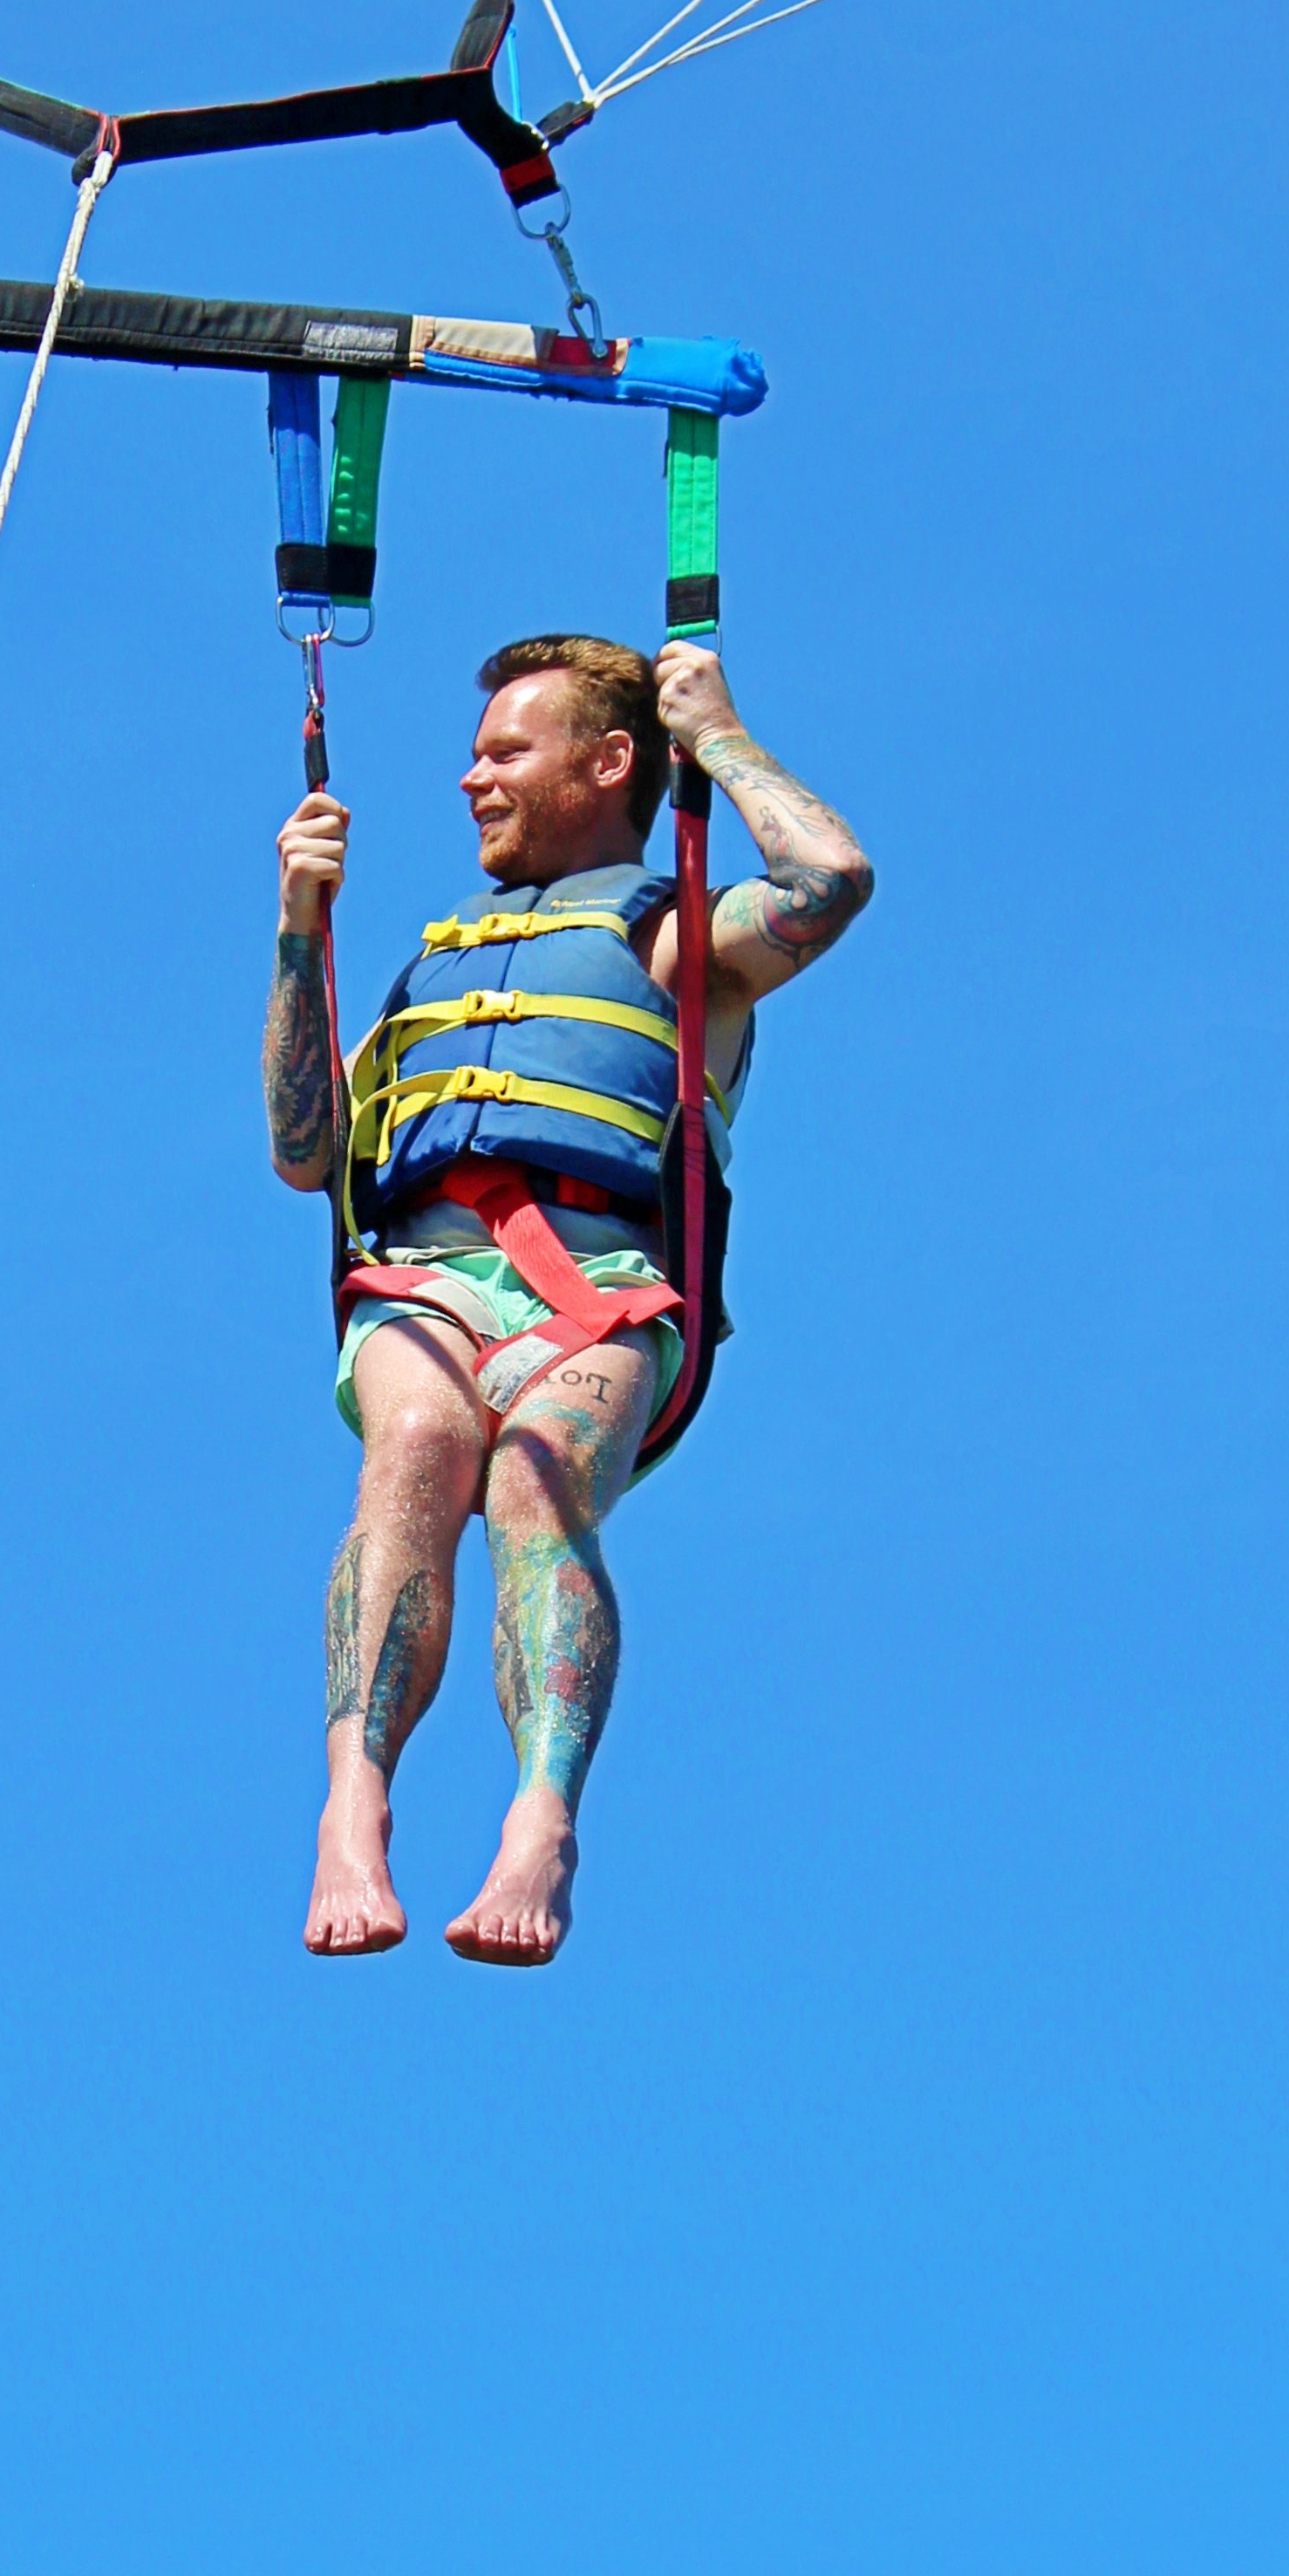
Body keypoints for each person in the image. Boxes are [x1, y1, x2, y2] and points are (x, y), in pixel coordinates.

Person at [265, 633, 870, 1967]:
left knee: (534, 1481)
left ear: (604, 764)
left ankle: (541, 1819)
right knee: (419, 1449)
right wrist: (301, 928)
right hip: (422, 1278)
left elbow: (829, 881)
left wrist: (715, 734)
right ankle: (353, 1807)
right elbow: (306, 1147)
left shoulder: (673, 932)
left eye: (502, 751)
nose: (469, 775)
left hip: (597, 1290)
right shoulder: (432, 970)